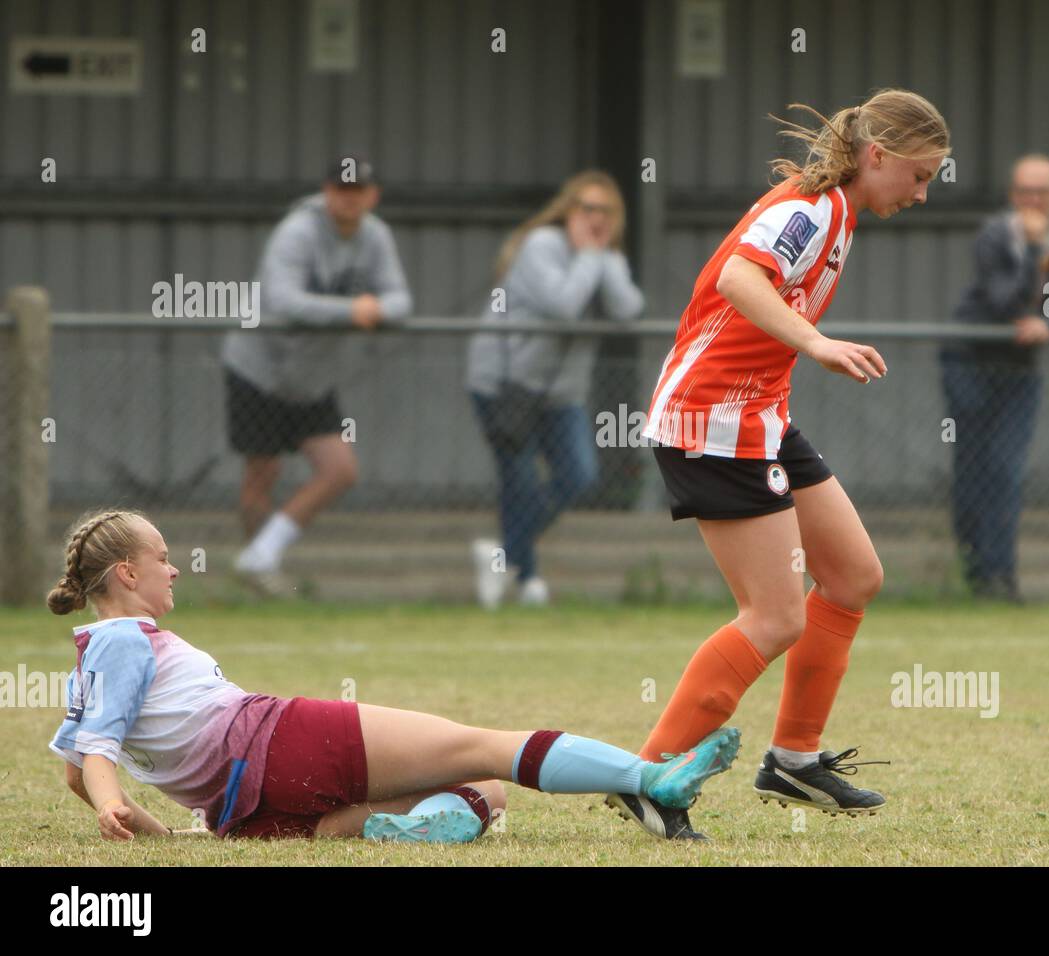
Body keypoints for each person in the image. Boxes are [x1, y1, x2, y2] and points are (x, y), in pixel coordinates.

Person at [611, 90, 950, 840]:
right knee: (774, 615)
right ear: (878, 155)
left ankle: (793, 760)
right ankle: (651, 778)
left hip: (759, 415)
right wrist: (818, 344)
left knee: (854, 576)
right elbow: (739, 277)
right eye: (920, 175)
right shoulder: (811, 205)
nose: (924, 194)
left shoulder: (839, 212)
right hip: (713, 420)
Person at [46, 510, 739, 842]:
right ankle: (652, 780)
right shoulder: (127, 641)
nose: (173, 569)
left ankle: (396, 834)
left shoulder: (93, 657)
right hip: (284, 741)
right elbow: (99, 757)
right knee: (486, 747)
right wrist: (116, 803)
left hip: (246, 814)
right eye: (162, 558)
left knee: (485, 791)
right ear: (128, 573)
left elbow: (80, 770)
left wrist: (144, 827)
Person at [220, 156, 412, 597]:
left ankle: (260, 556)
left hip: (313, 379)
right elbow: (283, 300)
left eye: (358, 190)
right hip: (260, 368)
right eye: (341, 189)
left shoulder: (376, 236)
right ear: (327, 192)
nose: (349, 198)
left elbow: (401, 299)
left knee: (340, 470)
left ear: (372, 195)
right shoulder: (297, 231)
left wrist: (377, 309)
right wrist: (353, 311)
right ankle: (257, 579)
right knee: (261, 474)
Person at [465, 170, 645, 609]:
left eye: (606, 211)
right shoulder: (541, 247)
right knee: (520, 480)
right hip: (505, 384)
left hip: (562, 393)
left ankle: (503, 558)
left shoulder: (605, 257)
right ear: (568, 211)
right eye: (587, 208)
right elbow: (563, 306)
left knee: (578, 476)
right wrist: (590, 258)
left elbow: (629, 310)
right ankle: (527, 581)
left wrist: (602, 260)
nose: (596, 218)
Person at [940, 154, 1049, 601]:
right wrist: (1031, 250)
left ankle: (1002, 579)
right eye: (1024, 192)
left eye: (1042, 192)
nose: (1033, 200)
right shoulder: (995, 235)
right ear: (1013, 196)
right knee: (972, 470)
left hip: (1020, 368)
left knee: (1006, 470)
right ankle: (973, 575)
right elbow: (1002, 304)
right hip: (968, 361)